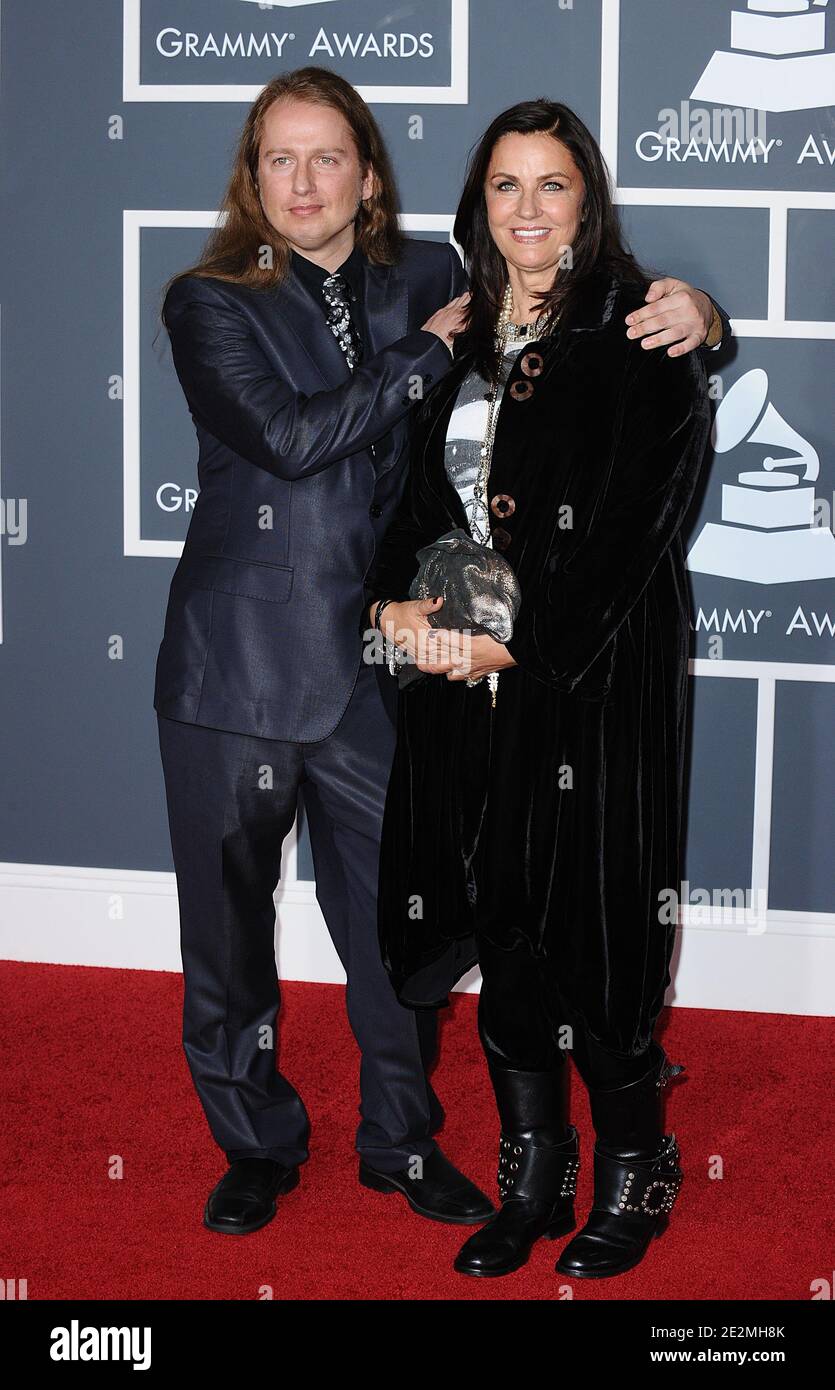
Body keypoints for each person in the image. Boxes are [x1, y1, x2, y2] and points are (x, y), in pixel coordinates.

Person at [154, 65, 725, 1238]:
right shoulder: (208, 299)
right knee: (227, 937)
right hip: (240, 673)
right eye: (278, 158)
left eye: (328, 157)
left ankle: (400, 1143)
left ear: (369, 173)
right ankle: (255, 1142)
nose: (303, 182)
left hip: (396, 674)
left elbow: (575, 312)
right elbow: (293, 438)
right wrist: (419, 353)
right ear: (251, 179)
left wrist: (704, 319)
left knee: (405, 934)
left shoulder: (429, 276)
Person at [365, 99, 719, 1280]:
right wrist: (393, 606)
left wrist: (517, 648)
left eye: (551, 185)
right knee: (503, 930)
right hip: (463, 695)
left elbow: (633, 534)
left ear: (587, 200)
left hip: (593, 688)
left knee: (599, 937)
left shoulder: (645, 333)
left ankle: (635, 1170)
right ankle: (535, 1173)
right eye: (504, 187)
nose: (526, 209)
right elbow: (415, 505)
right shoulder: (456, 334)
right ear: (478, 207)